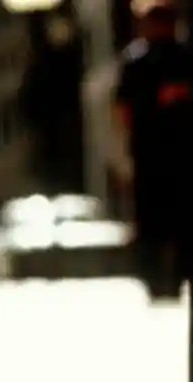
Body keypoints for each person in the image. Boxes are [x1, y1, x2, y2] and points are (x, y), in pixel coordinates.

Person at [114, 0, 193, 302]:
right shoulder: (137, 62)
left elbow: (124, 112)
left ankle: (171, 277)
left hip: (177, 159)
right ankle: (158, 281)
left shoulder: (182, 58)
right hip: (152, 158)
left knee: (175, 223)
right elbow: (124, 111)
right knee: (154, 223)